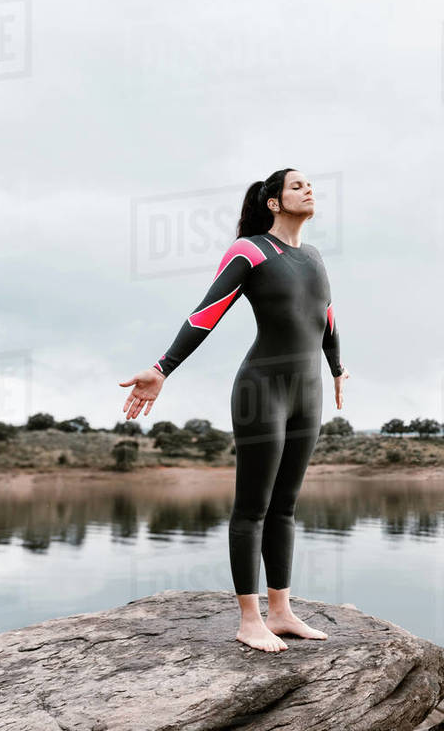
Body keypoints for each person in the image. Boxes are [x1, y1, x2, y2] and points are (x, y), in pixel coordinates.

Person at [119, 168, 348, 653]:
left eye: (310, 184)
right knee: (253, 508)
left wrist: (337, 368)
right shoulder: (250, 251)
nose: (308, 190)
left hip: (308, 393)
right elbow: (208, 309)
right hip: (261, 391)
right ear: (273, 202)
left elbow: (325, 314)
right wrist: (162, 368)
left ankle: (281, 611)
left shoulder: (313, 256)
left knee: (285, 507)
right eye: (297, 185)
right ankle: (249, 619)